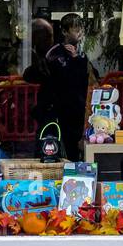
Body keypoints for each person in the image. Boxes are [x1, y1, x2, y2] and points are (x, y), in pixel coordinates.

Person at [24, 12, 92, 160]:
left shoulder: (82, 54)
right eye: (75, 29)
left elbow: (84, 79)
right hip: (56, 110)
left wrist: (76, 60)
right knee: (51, 146)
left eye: (81, 28)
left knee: (73, 149)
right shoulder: (54, 53)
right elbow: (33, 75)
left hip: (76, 110)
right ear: (64, 31)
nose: (80, 32)